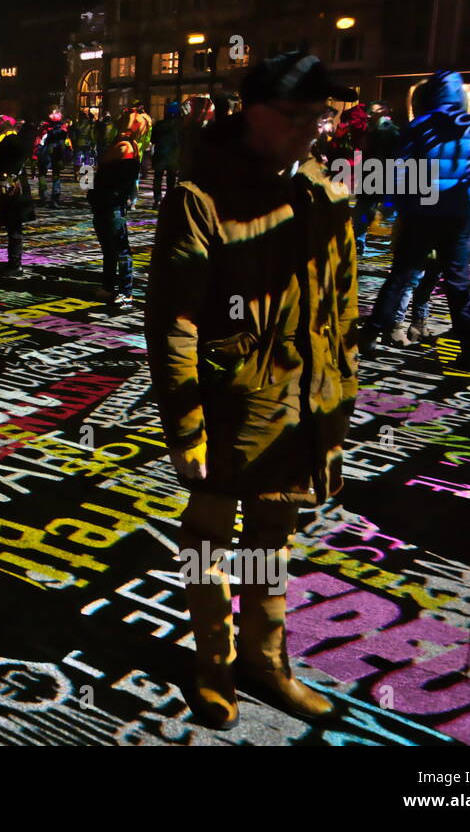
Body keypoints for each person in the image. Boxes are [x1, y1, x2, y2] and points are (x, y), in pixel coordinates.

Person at [146, 51, 360, 729]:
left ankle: (266, 662)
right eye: (296, 117)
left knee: (273, 540)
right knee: (210, 540)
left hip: (302, 407)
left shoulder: (324, 196)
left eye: (318, 118)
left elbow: (341, 311)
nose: (312, 131)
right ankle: (213, 666)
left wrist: (335, 410)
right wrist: (185, 427)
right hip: (228, 408)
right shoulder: (200, 200)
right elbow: (173, 320)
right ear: (253, 114)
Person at [359, 72, 470, 369]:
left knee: (400, 276)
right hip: (461, 213)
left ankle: (371, 335)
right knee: (457, 283)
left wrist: (397, 204)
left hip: (422, 212)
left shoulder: (421, 125)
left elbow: (400, 169)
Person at [88, 109, 141, 307]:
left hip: (111, 204)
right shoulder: (120, 145)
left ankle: (125, 291)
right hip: (104, 203)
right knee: (110, 249)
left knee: (120, 250)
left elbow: (100, 167)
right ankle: (108, 287)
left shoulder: (125, 146)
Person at [0, 115, 34, 277]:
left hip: (11, 189)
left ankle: (15, 264)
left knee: (14, 228)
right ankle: (14, 262)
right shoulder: (16, 141)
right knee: (15, 228)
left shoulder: (7, 142)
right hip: (16, 188)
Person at [352, 101, 401, 253]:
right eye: (370, 112)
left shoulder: (388, 130)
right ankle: (360, 240)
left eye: (374, 112)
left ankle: (393, 240)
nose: (369, 115)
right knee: (365, 210)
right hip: (372, 174)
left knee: (381, 209)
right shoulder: (372, 130)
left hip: (383, 174)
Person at [34, 108, 71, 207]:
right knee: (56, 175)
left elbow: (38, 140)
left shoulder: (44, 127)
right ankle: (55, 198)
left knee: (42, 174)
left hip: (45, 153)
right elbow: (65, 142)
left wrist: (35, 153)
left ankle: (43, 196)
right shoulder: (63, 128)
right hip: (57, 153)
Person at [149, 101, 181, 207]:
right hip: (173, 156)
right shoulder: (179, 126)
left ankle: (157, 199)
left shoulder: (159, 124)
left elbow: (152, 139)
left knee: (158, 178)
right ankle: (169, 199)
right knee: (171, 180)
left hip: (160, 154)